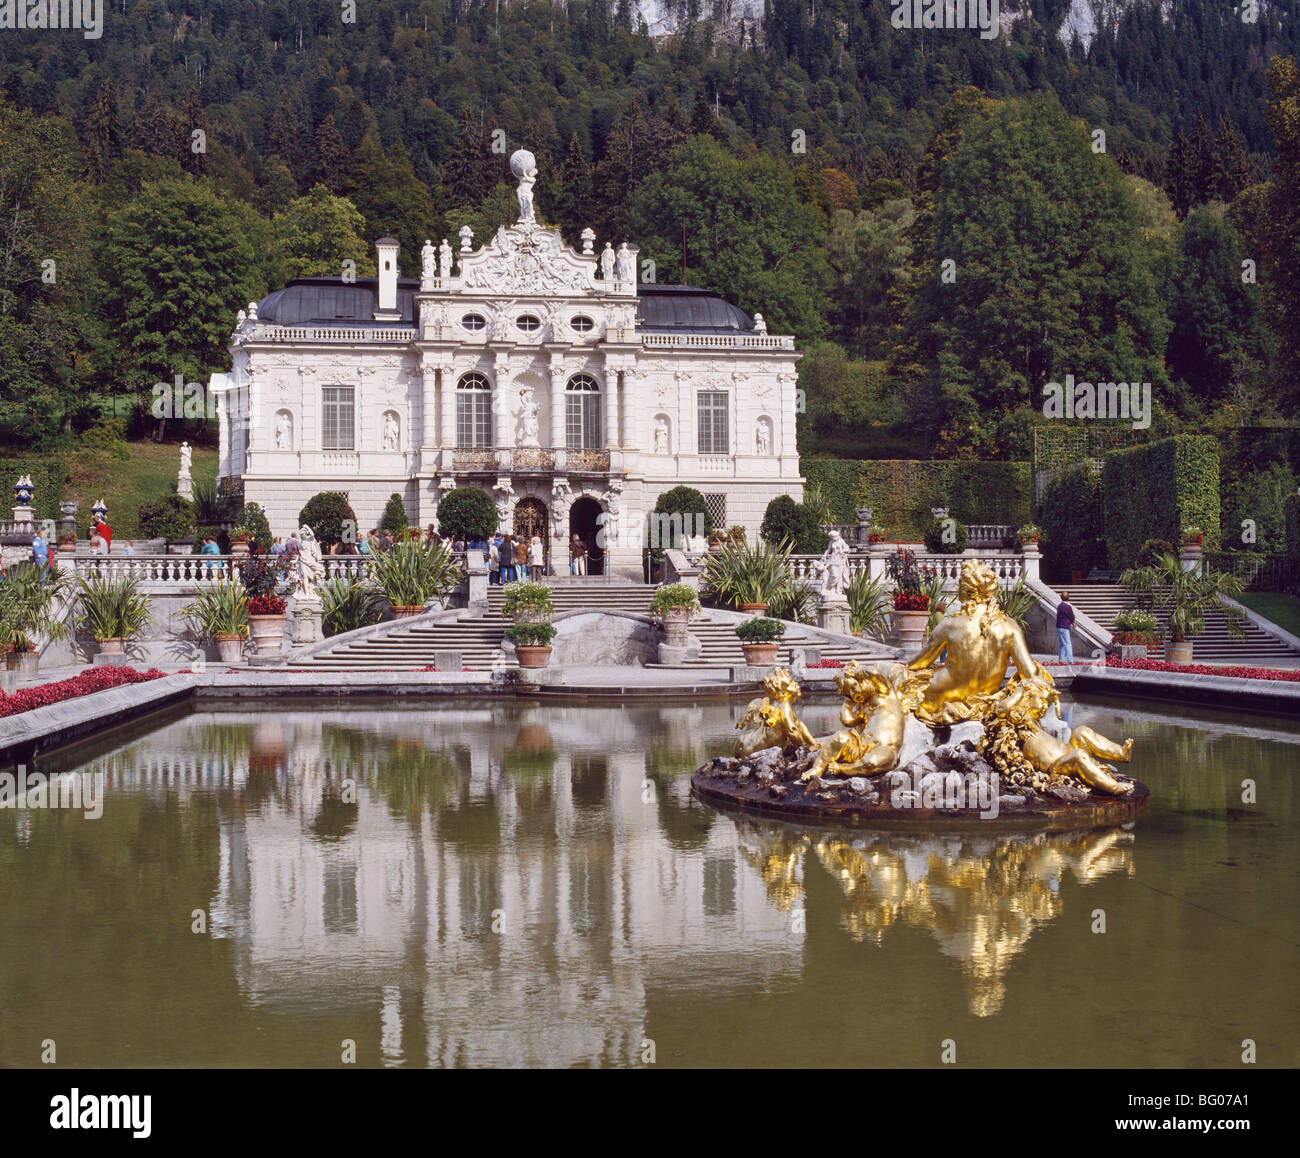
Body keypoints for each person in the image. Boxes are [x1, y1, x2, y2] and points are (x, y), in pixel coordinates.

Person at [1056, 591, 1076, 664]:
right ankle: (1070, 660)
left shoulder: (1059, 606)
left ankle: (1061, 660)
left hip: (1059, 626)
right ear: (1068, 598)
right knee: (1067, 643)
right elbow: (1071, 616)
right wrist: (1073, 622)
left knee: (1062, 644)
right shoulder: (1067, 607)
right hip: (1065, 626)